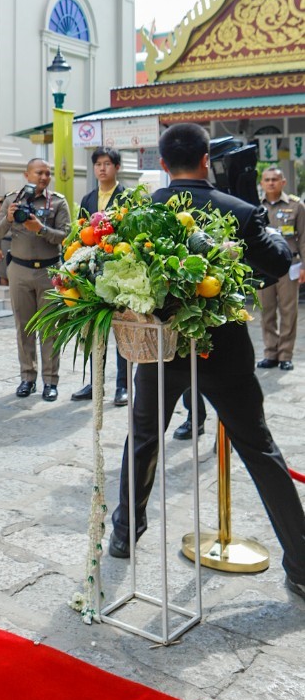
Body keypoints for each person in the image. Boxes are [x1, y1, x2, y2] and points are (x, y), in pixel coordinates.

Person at [108, 123, 305, 605]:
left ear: (161, 164)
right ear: (205, 160)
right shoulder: (236, 208)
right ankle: (301, 563)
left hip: (159, 348)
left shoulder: (141, 210)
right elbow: (279, 262)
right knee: (258, 448)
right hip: (225, 352)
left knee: (144, 439)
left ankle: (123, 533)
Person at [0, 158, 70, 401]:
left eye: (48, 173)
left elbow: (65, 237)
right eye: (39, 172)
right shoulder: (11, 200)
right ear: (27, 174)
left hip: (49, 271)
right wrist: (8, 217)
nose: (44, 177)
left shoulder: (57, 201)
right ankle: (27, 378)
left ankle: (51, 381)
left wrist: (42, 229)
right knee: (24, 327)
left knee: (50, 329)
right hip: (19, 270)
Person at [71, 147, 129, 406]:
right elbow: (81, 231)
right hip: (93, 273)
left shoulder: (127, 196)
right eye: (98, 164)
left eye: (107, 163)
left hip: (120, 270)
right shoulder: (88, 198)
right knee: (96, 331)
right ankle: (95, 384)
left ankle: (123, 386)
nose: (102, 168)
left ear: (117, 167)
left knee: (122, 330)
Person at [256, 165, 305, 371]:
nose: (271, 183)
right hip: (264, 267)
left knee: (288, 311)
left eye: (274, 179)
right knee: (266, 311)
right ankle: (270, 353)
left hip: (289, 265)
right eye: (267, 180)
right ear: (262, 183)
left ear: (283, 182)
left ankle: (285, 354)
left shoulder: (296, 206)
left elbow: (303, 237)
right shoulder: (255, 206)